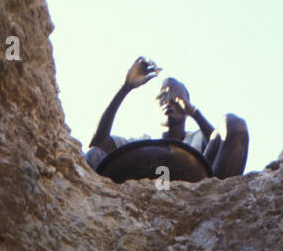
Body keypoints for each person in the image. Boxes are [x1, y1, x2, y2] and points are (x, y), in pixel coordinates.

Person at [85, 56, 249, 178]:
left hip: (198, 189)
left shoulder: (198, 138)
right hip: (149, 193)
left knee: (234, 123)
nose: (168, 102)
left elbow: (224, 142)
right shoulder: (140, 144)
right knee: (93, 155)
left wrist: (194, 113)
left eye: (176, 96)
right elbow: (98, 145)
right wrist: (125, 88)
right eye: (161, 97)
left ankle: (214, 200)